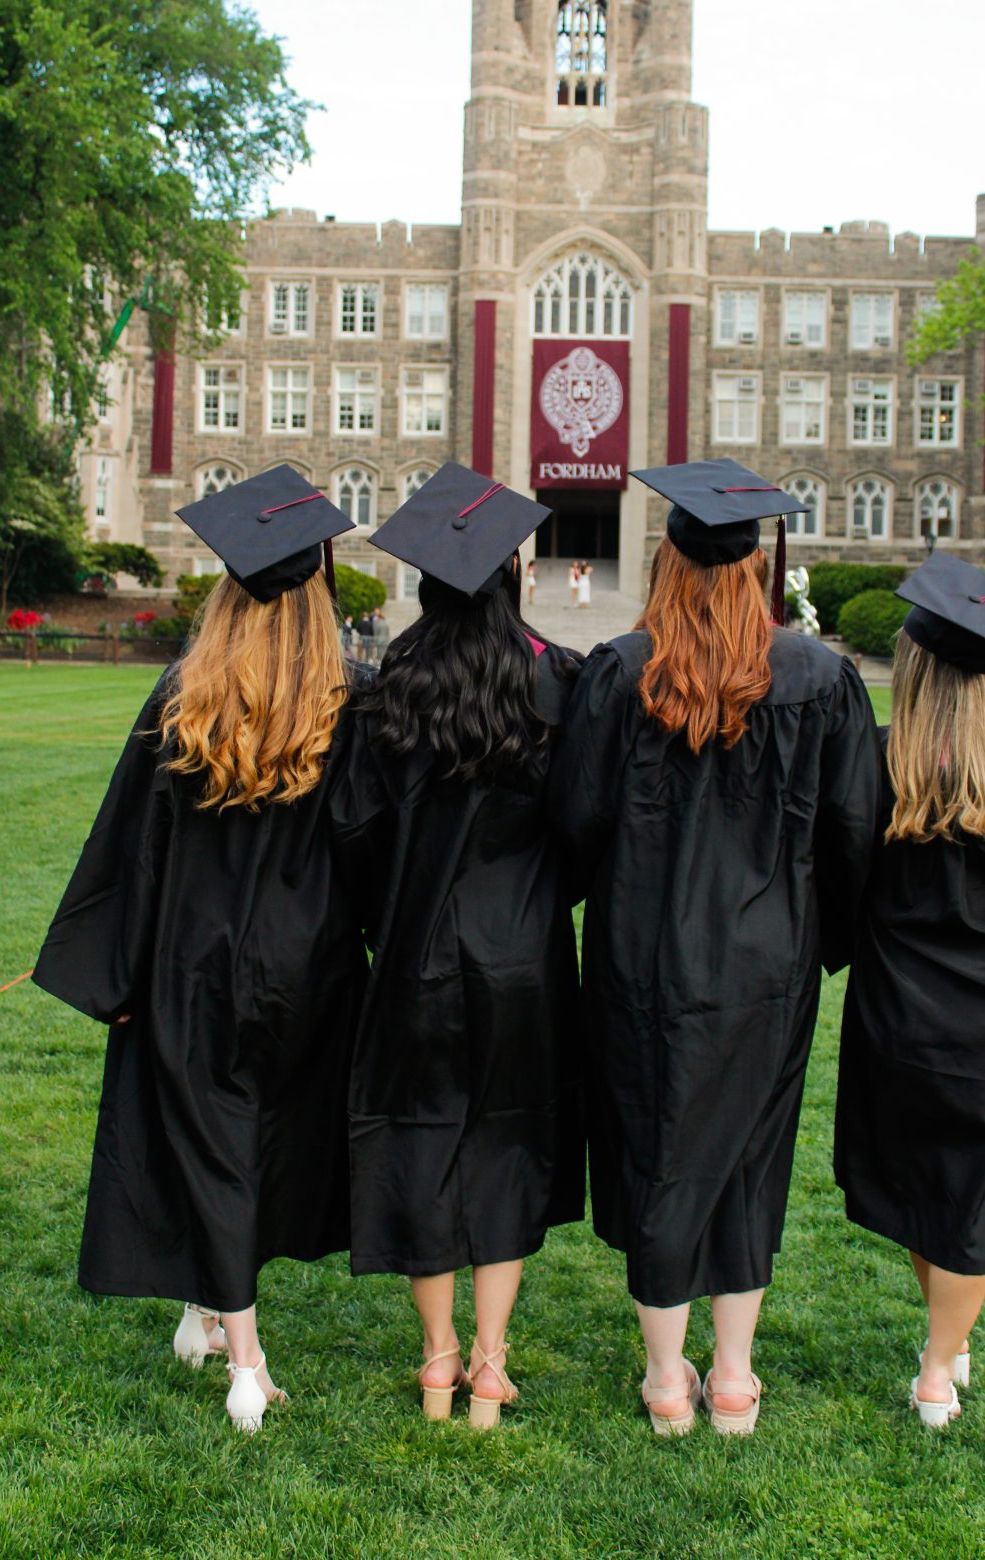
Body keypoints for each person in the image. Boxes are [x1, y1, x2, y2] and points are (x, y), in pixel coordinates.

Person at [33, 465, 369, 1434]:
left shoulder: (188, 690)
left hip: (191, 958)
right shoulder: (351, 697)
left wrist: (117, 969)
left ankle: (230, 1342)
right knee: (261, 1141)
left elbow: (129, 847)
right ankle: (232, 1344)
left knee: (210, 1139)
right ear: (318, 594)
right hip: (309, 966)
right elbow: (369, 843)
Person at [549, 460, 881, 1438]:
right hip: (769, 960)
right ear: (754, 569)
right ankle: (731, 1376)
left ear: (670, 562)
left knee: (654, 1147)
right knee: (750, 1155)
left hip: (642, 957)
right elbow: (855, 828)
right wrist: (831, 934)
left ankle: (667, 1377)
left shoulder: (620, 671)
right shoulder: (821, 678)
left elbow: (574, 819)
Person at [337, 462, 585, 1429]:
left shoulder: (388, 687)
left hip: (411, 951)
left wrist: (383, 918)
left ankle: (438, 1357)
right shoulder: (556, 680)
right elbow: (582, 827)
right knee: (509, 1140)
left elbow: (356, 835)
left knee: (421, 1137)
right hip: (521, 952)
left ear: (428, 584)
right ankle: (489, 1361)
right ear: (513, 578)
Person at [834, 552, 985, 1429]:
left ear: (911, 671)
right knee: (965, 1197)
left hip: (892, 1020)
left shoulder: (873, 767)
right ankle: (940, 1367)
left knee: (920, 1188)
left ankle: (948, 1342)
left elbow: (840, 891)